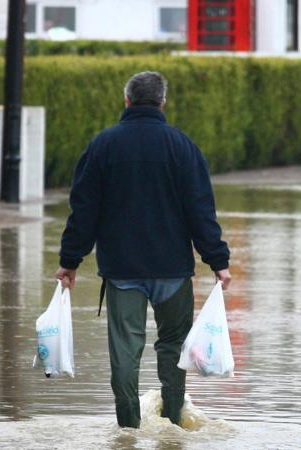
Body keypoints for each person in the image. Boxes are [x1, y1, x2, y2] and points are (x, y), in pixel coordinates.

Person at [54, 71, 232, 429]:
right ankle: (173, 423)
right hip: (172, 269)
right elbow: (200, 209)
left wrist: (70, 260)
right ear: (162, 102)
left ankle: (128, 428)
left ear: (127, 101)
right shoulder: (182, 147)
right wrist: (217, 260)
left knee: (124, 352)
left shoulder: (102, 146)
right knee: (173, 347)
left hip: (122, 270)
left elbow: (84, 210)